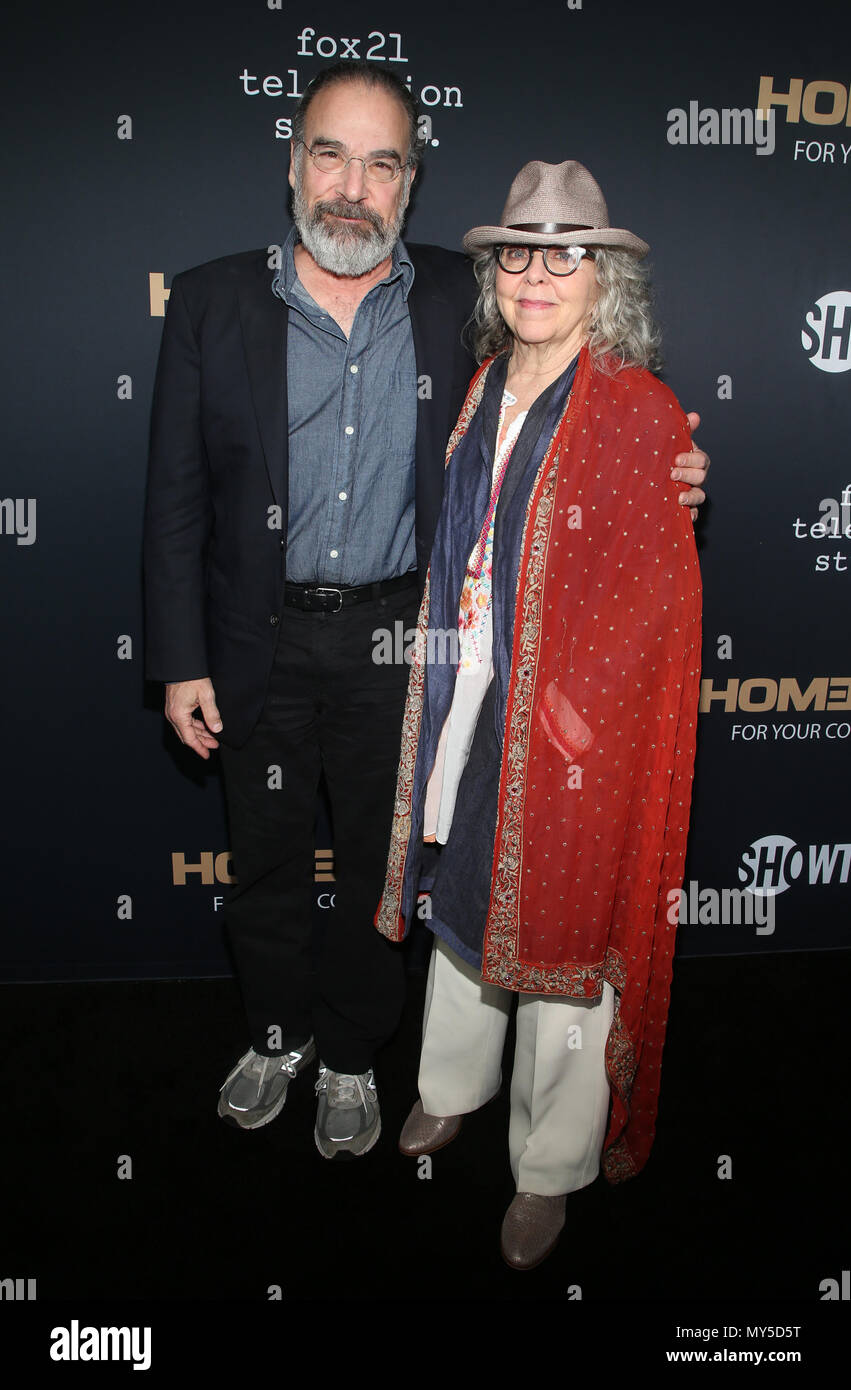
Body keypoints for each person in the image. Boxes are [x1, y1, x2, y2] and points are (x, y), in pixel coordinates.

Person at [144, 62, 709, 1162]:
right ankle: (275, 1034)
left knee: (381, 869)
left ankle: (355, 1054)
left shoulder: (466, 295)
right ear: (292, 163)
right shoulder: (211, 301)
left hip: (401, 649)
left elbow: (583, 381)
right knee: (260, 865)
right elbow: (172, 496)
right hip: (250, 639)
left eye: (381, 162)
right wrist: (177, 658)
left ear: (409, 183)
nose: (351, 187)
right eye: (330, 153)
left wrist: (668, 464)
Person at [375, 157, 702, 1265]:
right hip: (470, 689)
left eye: (564, 255)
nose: (535, 274)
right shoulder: (482, 384)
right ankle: (448, 1086)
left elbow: (656, 600)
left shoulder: (640, 409)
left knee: (564, 937)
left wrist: (571, 713)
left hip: (574, 735)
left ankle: (548, 1165)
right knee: (464, 895)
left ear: (601, 279)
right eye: (517, 251)